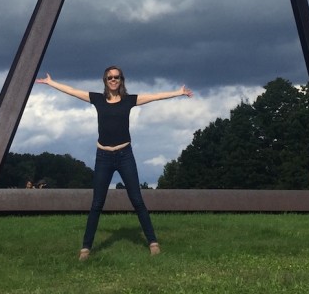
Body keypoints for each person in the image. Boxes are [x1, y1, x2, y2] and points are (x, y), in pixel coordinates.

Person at [36, 66, 193, 260]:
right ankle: (86, 249)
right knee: (97, 203)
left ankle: (153, 242)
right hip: (103, 157)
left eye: (116, 77)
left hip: (125, 155)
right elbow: (73, 91)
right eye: (110, 77)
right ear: (105, 80)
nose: (113, 80)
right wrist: (51, 83)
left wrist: (178, 92)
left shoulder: (128, 101)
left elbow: (155, 96)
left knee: (137, 200)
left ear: (121, 80)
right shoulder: (98, 99)